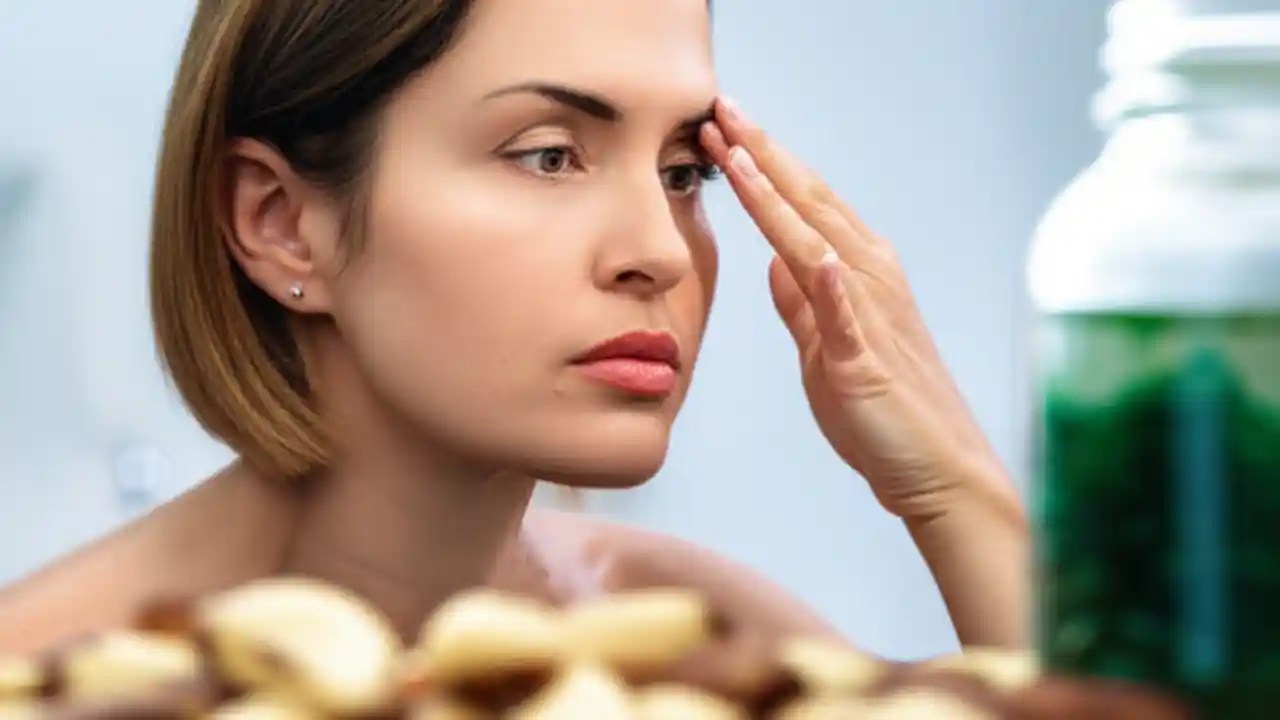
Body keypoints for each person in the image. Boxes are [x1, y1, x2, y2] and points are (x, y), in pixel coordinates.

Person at [0, 0, 1028, 655]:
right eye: (548, 155)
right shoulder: (52, 675)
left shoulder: (697, 645)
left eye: (683, 172)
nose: (660, 251)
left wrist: (952, 489)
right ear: (279, 224)